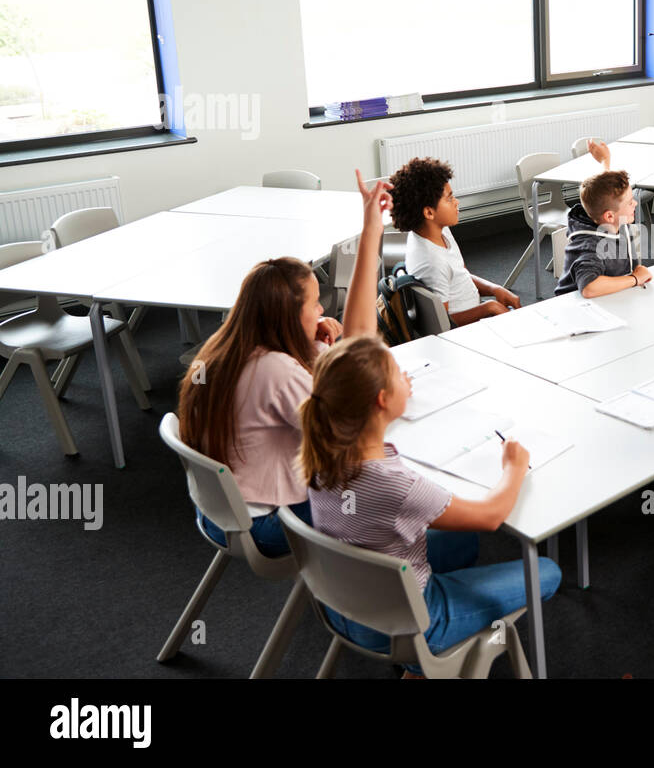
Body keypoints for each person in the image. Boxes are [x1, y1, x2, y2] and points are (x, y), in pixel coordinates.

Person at [299, 335, 561, 676]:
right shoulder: (397, 485)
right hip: (412, 626)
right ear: (381, 399)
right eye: (397, 373)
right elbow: (492, 516)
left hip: (342, 606)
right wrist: (513, 468)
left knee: (463, 540)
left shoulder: (322, 451)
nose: (406, 375)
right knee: (547, 571)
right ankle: (429, 663)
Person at [176, 171, 390, 556]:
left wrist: (315, 347)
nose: (323, 310)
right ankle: (366, 591)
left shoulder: (226, 344)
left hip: (217, 510)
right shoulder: (277, 369)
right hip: (263, 525)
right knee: (383, 493)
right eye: (314, 304)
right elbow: (349, 431)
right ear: (287, 317)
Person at [389, 157, 520, 326]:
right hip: (466, 330)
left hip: (477, 313)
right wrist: (488, 308)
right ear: (429, 213)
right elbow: (440, 323)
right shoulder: (432, 262)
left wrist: (494, 289)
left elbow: (461, 274)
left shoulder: (439, 230)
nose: (456, 202)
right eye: (449, 199)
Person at [554, 139, 653, 297]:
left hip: (610, 297)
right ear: (609, 216)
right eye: (629, 202)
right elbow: (589, 287)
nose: (635, 203)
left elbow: (606, 192)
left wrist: (605, 161)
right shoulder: (589, 245)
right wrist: (635, 278)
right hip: (580, 308)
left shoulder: (604, 214)